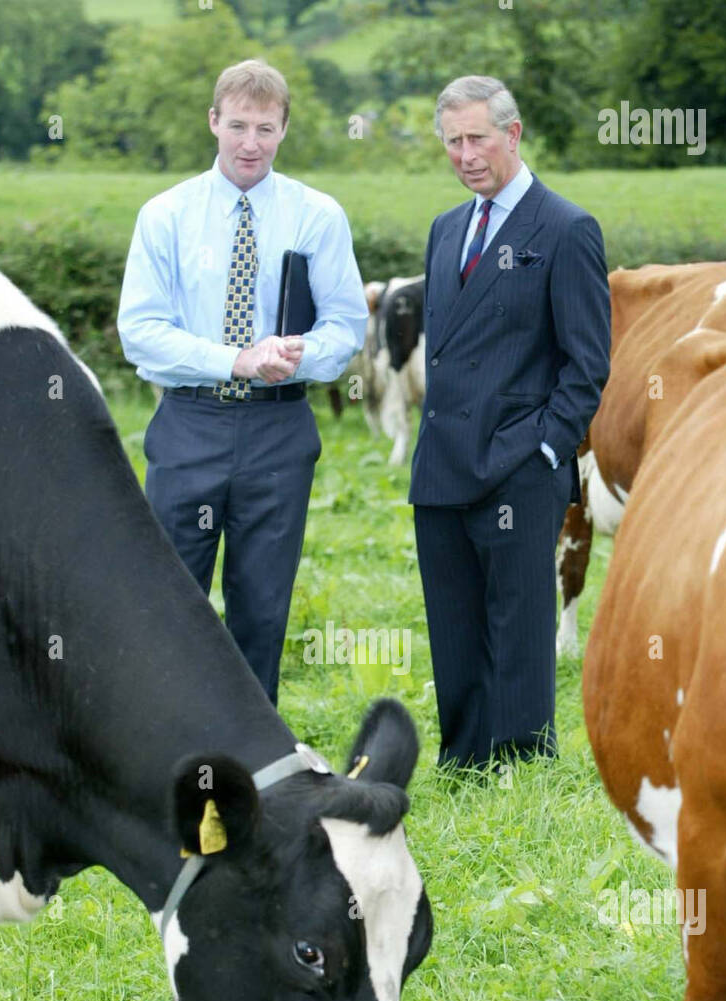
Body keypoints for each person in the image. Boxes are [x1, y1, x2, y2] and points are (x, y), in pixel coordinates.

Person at [118, 59, 367, 706]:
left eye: (265, 128)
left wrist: (297, 354)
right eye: (237, 126)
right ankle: (160, 751)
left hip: (278, 431)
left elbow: (346, 326)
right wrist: (236, 359)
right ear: (213, 122)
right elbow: (140, 331)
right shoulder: (165, 215)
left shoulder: (318, 215)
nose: (250, 143)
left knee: (261, 612)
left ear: (284, 129)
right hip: (190, 425)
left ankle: (252, 772)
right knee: (168, 605)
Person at [410, 75, 611, 770]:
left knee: (521, 630)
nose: (465, 154)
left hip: (518, 469)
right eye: (453, 141)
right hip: (441, 468)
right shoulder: (443, 229)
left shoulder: (566, 228)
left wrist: (546, 453)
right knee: (454, 625)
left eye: (477, 138)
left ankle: (522, 771)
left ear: (513, 133)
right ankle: (462, 765)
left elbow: (587, 366)